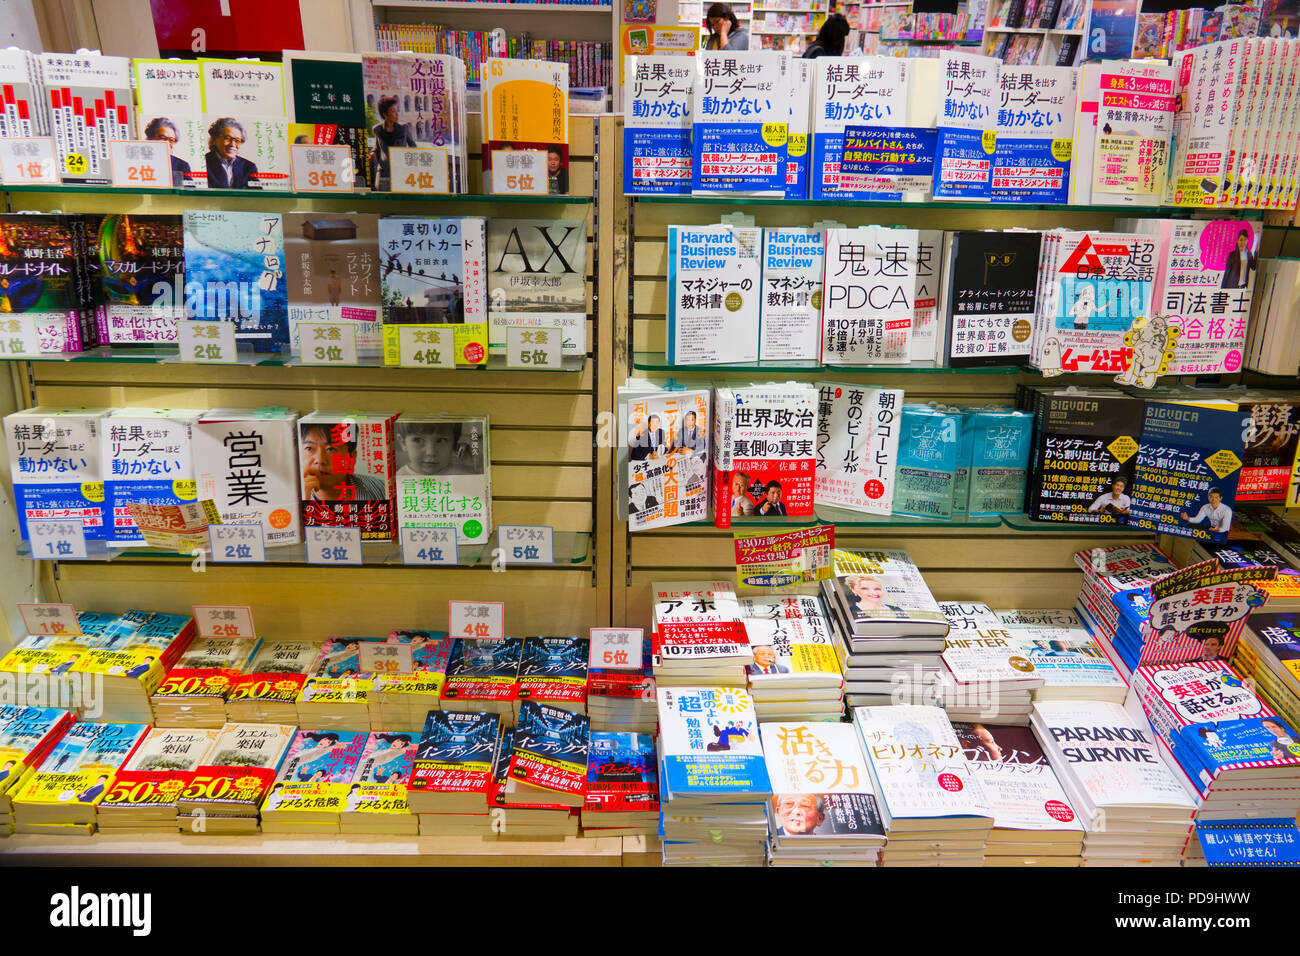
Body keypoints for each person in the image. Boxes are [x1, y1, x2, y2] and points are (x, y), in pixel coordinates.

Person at [300, 422, 387, 503]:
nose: (320, 460)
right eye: (309, 448)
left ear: (352, 457)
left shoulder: (382, 490)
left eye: (331, 449)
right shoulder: (292, 497)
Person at [370, 96, 417, 191]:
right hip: (383, 171)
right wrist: (373, 152)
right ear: (385, 114)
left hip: (401, 171)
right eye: (393, 111)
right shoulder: (378, 130)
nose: (397, 114)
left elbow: (413, 145)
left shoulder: (404, 128)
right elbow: (377, 145)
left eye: (397, 110)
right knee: (382, 199)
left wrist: (407, 156)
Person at [396, 420, 471, 477]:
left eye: (441, 440)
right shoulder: (397, 480)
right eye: (418, 440)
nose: (431, 452)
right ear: (403, 443)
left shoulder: (464, 476)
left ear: (454, 443)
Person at [205, 118, 258, 189]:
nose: (232, 144)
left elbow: (256, 196)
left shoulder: (248, 167)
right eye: (227, 138)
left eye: (237, 140)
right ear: (214, 139)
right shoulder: (203, 163)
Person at [144, 117, 191, 187]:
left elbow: (188, 192)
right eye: (162, 138)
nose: (167, 143)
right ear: (150, 138)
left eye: (171, 140)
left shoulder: (182, 166)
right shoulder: (140, 161)